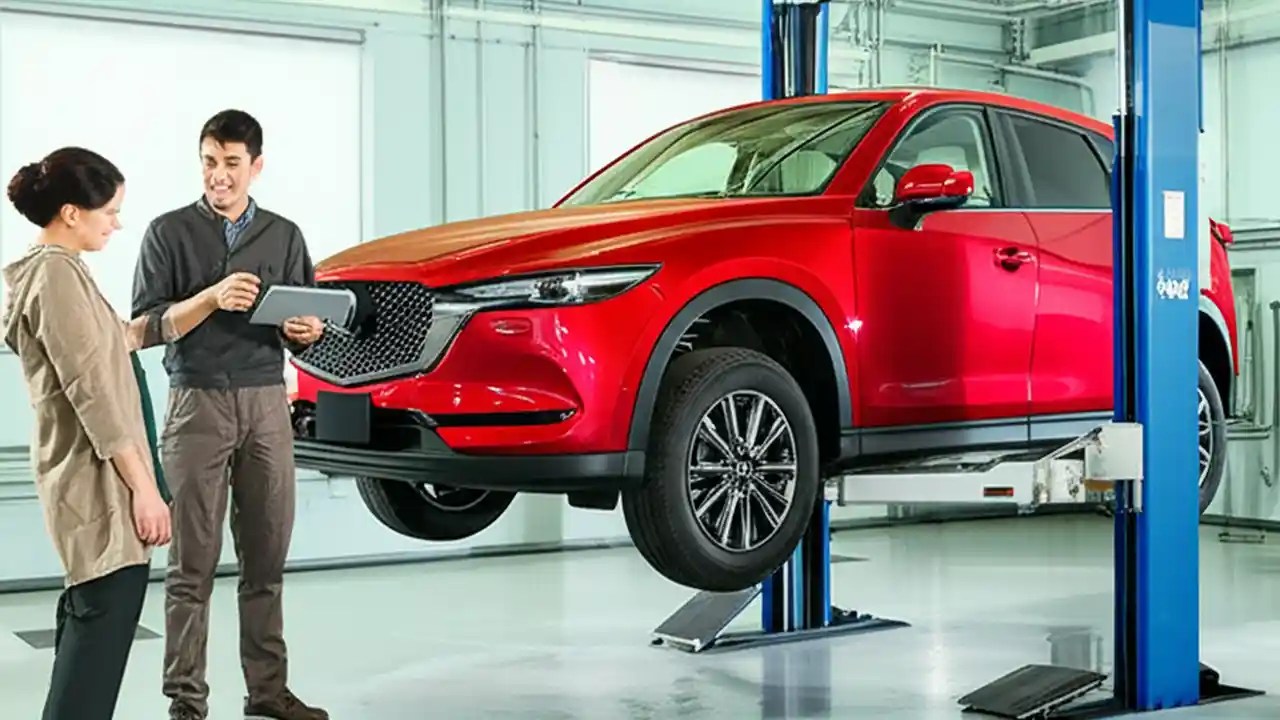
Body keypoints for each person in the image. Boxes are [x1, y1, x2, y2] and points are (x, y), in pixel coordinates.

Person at [2, 146, 242, 720]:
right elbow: (96, 395)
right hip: (100, 482)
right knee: (99, 628)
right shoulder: (56, 278)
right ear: (70, 213)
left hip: (94, 477)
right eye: (109, 211)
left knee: (93, 623)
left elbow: (125, 337)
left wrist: (207, 299)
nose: (117, 223)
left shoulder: (57, 274)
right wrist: (145, 489)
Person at [131, 109, 328, 720]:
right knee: (191, 565)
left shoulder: (284, 234)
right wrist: (210, 299)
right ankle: (186, 703)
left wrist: (306, 331)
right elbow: (142, 328)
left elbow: (307, 327)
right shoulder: (167, 233)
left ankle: (267, 693)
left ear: (256, 166)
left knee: (266, 560)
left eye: (231, 164)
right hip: (197, 403)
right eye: (210, 162)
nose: (219, 175)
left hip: (268, 401)